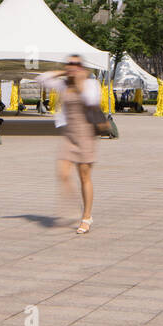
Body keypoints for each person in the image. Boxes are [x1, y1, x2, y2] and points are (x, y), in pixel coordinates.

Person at [38, 55, 102, 234]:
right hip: (69, 134)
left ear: (82, 67)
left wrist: (81, 81)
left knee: (84, 176)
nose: (73, 67)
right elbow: (42, 78)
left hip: (85, 134)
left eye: (76, 64)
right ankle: (75, 207)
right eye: (70, 63)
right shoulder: (63, 84)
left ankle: (86, 216)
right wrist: (64, 72)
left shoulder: (91, 85)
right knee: (63, 174)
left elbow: (92, 101)